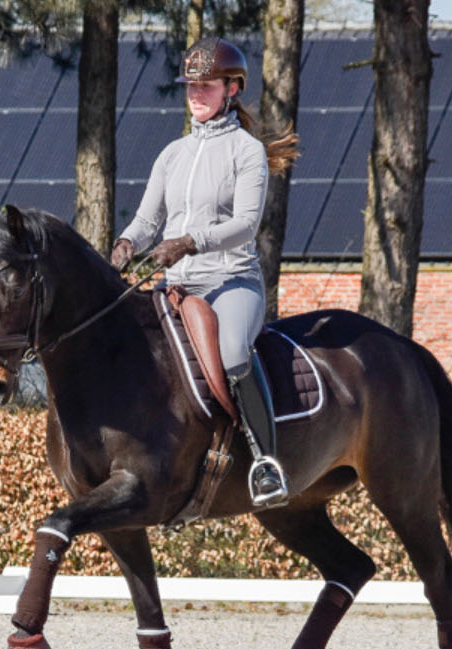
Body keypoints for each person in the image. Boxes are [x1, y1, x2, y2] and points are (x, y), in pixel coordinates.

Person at [110, 36, 299, 509]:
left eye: (207, 85)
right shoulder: (171, 155)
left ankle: (265, 462)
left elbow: (244, 225)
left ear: (231, 88)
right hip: (174, 286)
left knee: (234, 353)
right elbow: (149, 220)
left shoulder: (247, 151)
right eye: (191, 85)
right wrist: (126, 243)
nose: (196, 93)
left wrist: (190, 241)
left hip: (230, 281)